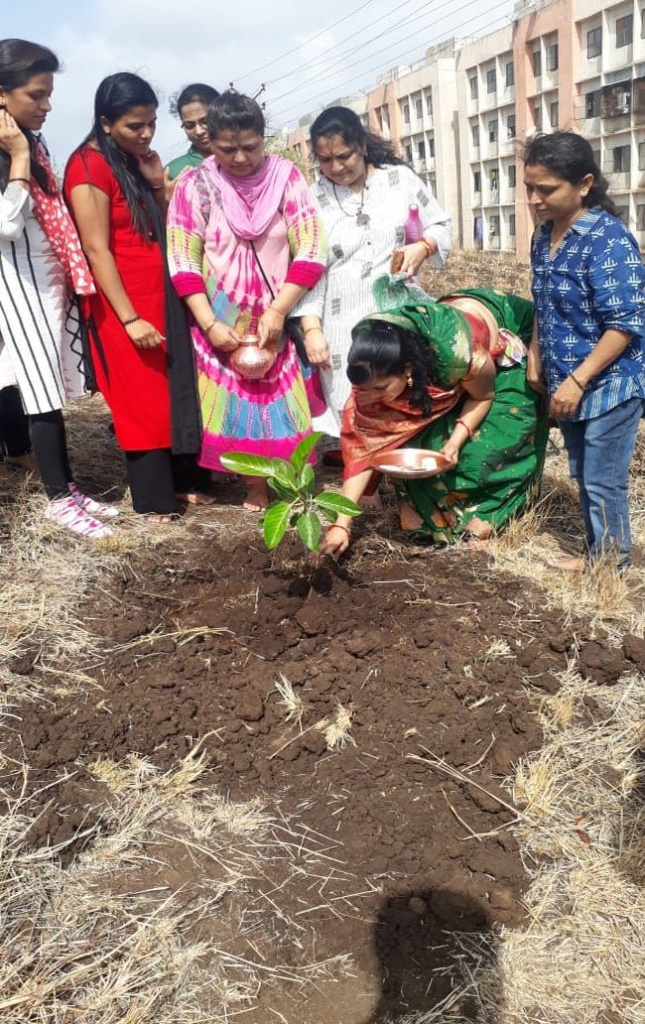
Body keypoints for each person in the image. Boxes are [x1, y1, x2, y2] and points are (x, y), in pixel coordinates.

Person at [167, 91, 327, 511]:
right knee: (236, 405)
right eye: (227, 149)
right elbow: (183, 258)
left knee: (282, 403)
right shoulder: (196, 184)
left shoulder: (287, 177)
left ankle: (290, 485)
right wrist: (208, 323)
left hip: (278, 311)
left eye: (250, 147)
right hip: (220, 316)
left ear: (263, 138)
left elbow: (311, 249)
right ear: (210, 142)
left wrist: (279, 309)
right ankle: (254, 489)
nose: (239, 158)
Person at [319, 276, 549, 557]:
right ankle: (437, 518)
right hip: (453, 359)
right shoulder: (371, 376)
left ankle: (491, 515)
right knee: (420, 445)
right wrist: (342, 524)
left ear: (407, 370)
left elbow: (482, 396)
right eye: (365, 389)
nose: (372, 396)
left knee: (485, 449)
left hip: (503, 339)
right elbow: (363, 448)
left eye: (380, 388)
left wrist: (454, 442)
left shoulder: (456, 354)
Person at [65, 72, 205, 522]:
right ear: (106, 122)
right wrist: (128, 318)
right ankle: (153, 500)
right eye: (134, 126)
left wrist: (156, 182)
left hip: (159, 295)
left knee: (170, 388)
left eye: (149, 125)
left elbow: (164, 225)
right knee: (140, 399)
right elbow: (96, 248)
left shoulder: (131, 161)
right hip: (122, 303)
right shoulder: (88, 165)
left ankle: (182, 482)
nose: (145, 134)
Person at [0, 38, 116, 539]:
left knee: (50, 388)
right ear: (2, 94)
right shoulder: (15, 146)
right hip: (17, 287)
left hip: (45, 282)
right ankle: (55, 500)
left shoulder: (30, 137)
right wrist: (21, 157)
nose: (47, 105)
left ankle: (67, 488)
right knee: (40, 390)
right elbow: (5, 224)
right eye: (36, 94)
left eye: (49, 94)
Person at [524, 131, 645, 572]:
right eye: (529, 188)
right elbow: (543, 299)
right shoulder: (544, 236)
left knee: (602, 478)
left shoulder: (609, 241)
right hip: (566, 378)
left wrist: (578, 379)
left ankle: (612, 566)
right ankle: (599, 554)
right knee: (582, 471)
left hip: (609, 381)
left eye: (547, 189)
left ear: (584, 184)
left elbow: (625, 325)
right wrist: (536, 352)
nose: (535, 199)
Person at [293, 105, 452, 440]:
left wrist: (423, 246)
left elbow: (440, 224)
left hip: (396, 318)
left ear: (362, 145)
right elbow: (308, 269)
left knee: (402, 397)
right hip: (340, 327)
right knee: (353, 407)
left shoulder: (399, 180)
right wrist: (311, 330)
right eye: (324, 159)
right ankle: (367, 492)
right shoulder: (312, 199)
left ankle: (404, 482)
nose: (335, 167)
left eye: (343, 156)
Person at [165, 82, 219, 194]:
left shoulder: (244, 161)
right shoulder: (174, 171)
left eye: (205, 122)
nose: (198, 131)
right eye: (189, 126)